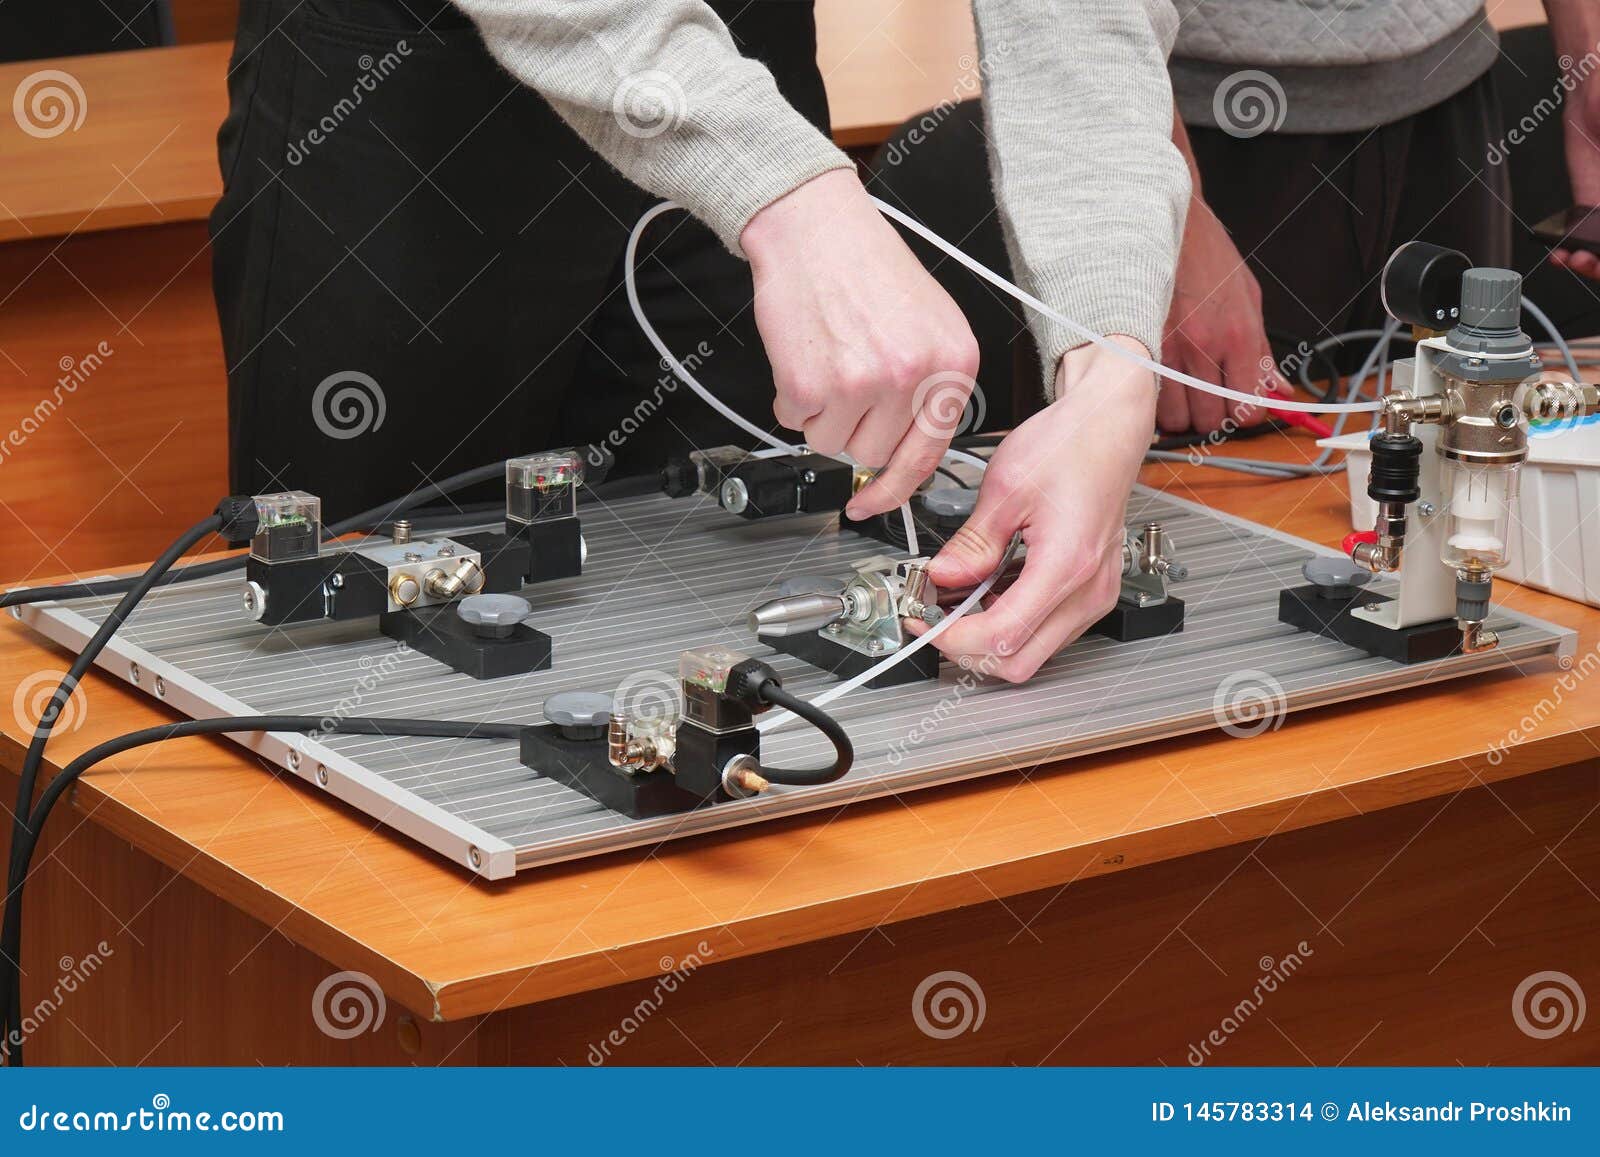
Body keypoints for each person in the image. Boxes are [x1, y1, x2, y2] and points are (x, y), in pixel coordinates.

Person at [211, 0, 1190, 682]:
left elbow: (1078, 23)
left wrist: (1111, 366)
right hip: (420, 69)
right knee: (360, 644)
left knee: (723, 614)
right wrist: (781, 195)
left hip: (740, 61)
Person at [873, 1, 1600, 439]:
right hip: (1186, 125)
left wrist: (1588, 66)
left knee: (1460, 498)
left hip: (1453, 100)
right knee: (1175, 569)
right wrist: (1171, 214)